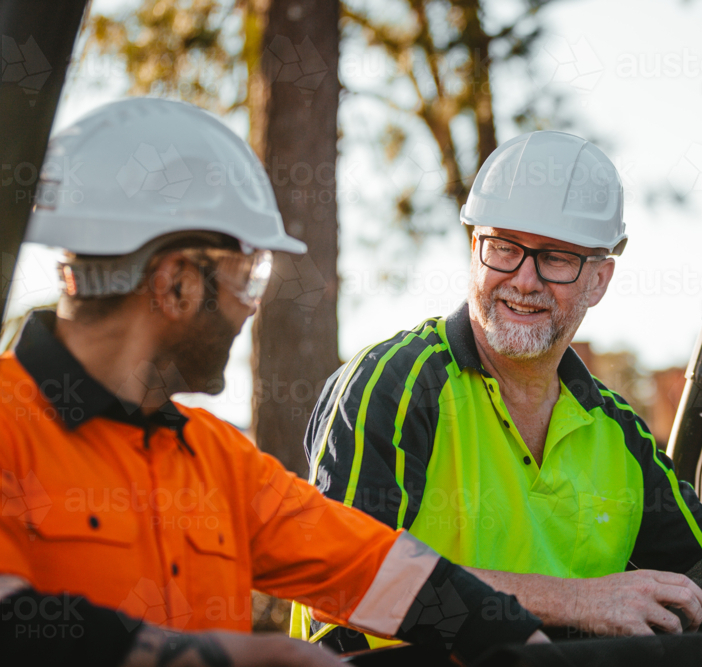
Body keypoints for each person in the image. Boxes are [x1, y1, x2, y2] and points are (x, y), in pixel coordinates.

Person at [295, 130, 702, 647]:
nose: (522, 280)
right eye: (504, 248)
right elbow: (346, 582)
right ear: (474, 248)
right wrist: (576, 599)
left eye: (556, 258)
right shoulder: (393, 383)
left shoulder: (614, 432)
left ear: (599, 278)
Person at [0, 98, 546, 667]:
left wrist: (513, 640)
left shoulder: (215, 458)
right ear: (178, 283)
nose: (251, 309)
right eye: (248, 277)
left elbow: (365, 567)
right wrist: (233, 658)